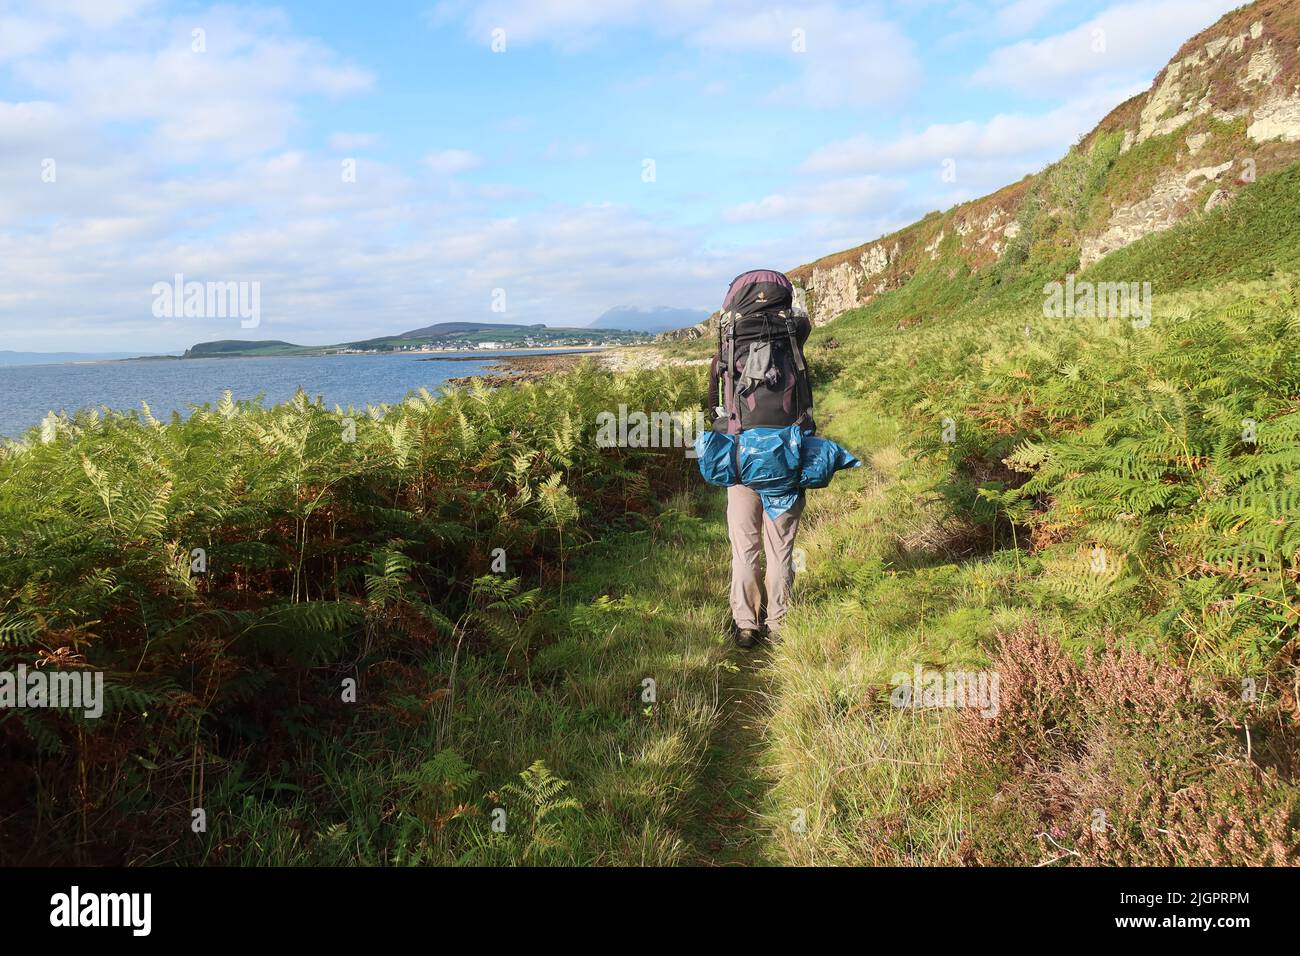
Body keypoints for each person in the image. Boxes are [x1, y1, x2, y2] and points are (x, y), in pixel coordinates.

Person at [706, 270, 813, 649]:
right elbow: (804, 318)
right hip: (786, 456)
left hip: (742, 458)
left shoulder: (730, 343)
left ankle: (747, 624)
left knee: (745, 546)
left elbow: (714, 402)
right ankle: (779, 624)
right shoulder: (793, 335)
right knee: (780, 546)